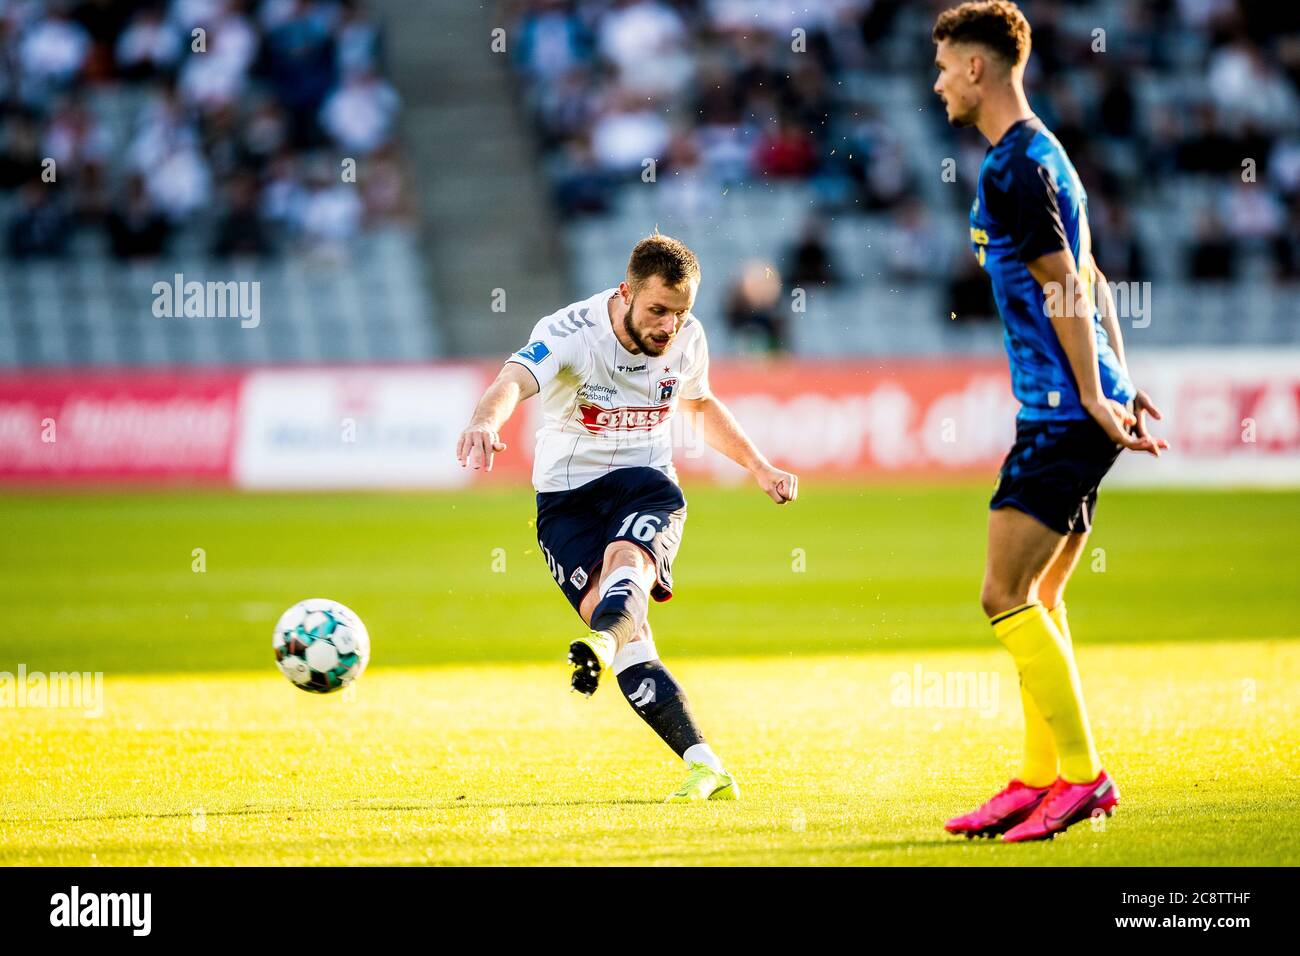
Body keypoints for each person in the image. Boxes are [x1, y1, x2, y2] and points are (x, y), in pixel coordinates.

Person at [930, 1, 1167, 842]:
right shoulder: (1044, 154)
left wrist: (1096, 398)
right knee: (1042, 594)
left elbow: (1069, 282)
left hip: (1061, 414)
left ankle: (1083, 776)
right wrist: (1120, 378)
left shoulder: (1009, 168)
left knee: (1003, 594)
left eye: (945, 65)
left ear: (977, 69)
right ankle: (1038, 777)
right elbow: (1094, 276)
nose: (936, 83)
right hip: (1079, 402)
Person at [455, 233, 798, 802]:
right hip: (565, 502)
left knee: (626, 565)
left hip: (647, 485)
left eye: (681, 313)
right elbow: (512, 381)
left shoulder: (688, 339)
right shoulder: (569, 333)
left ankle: (606, 643)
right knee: (629, 636)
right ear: (626, 294)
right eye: (658, 311)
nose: (669, 326)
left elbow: (699, 403)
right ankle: (706, 764)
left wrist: (758, 467)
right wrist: (485, 422)